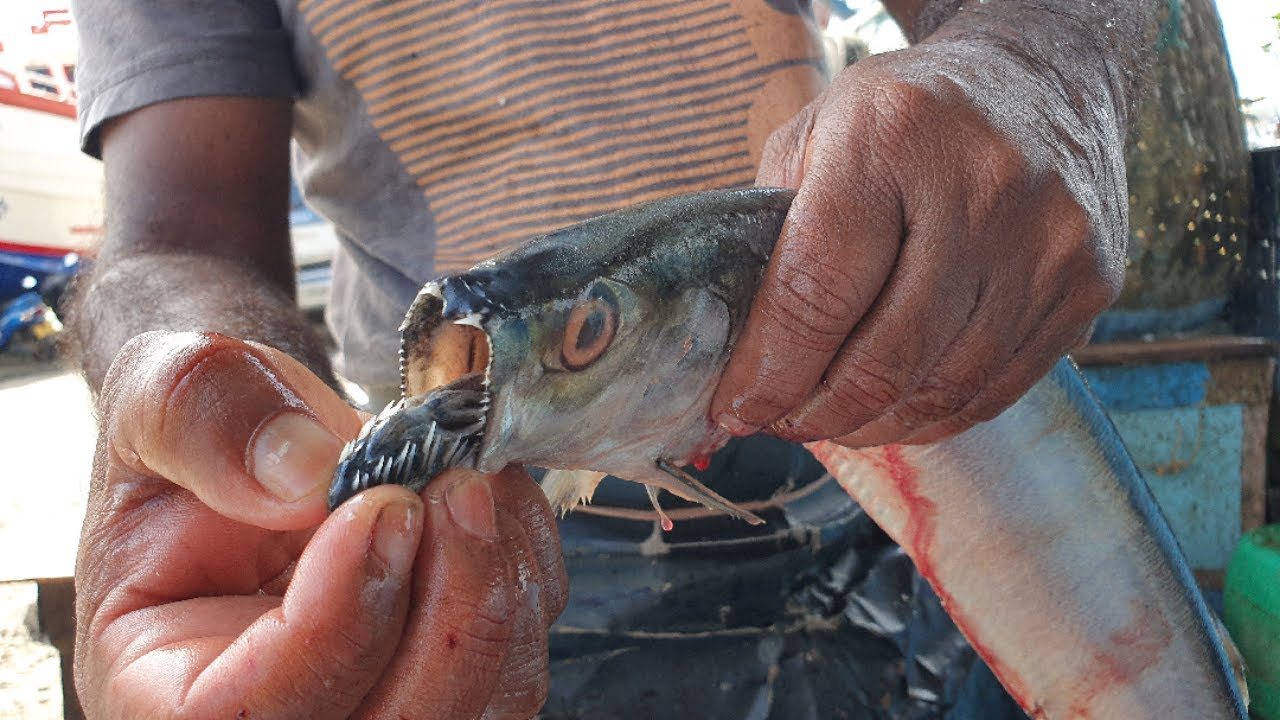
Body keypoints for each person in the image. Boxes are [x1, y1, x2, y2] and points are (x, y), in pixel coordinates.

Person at [66, 0, 1155, 717]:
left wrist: (1046, 61)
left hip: (903, 464)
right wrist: (216, 418)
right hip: (501, 541)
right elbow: (174, 237)